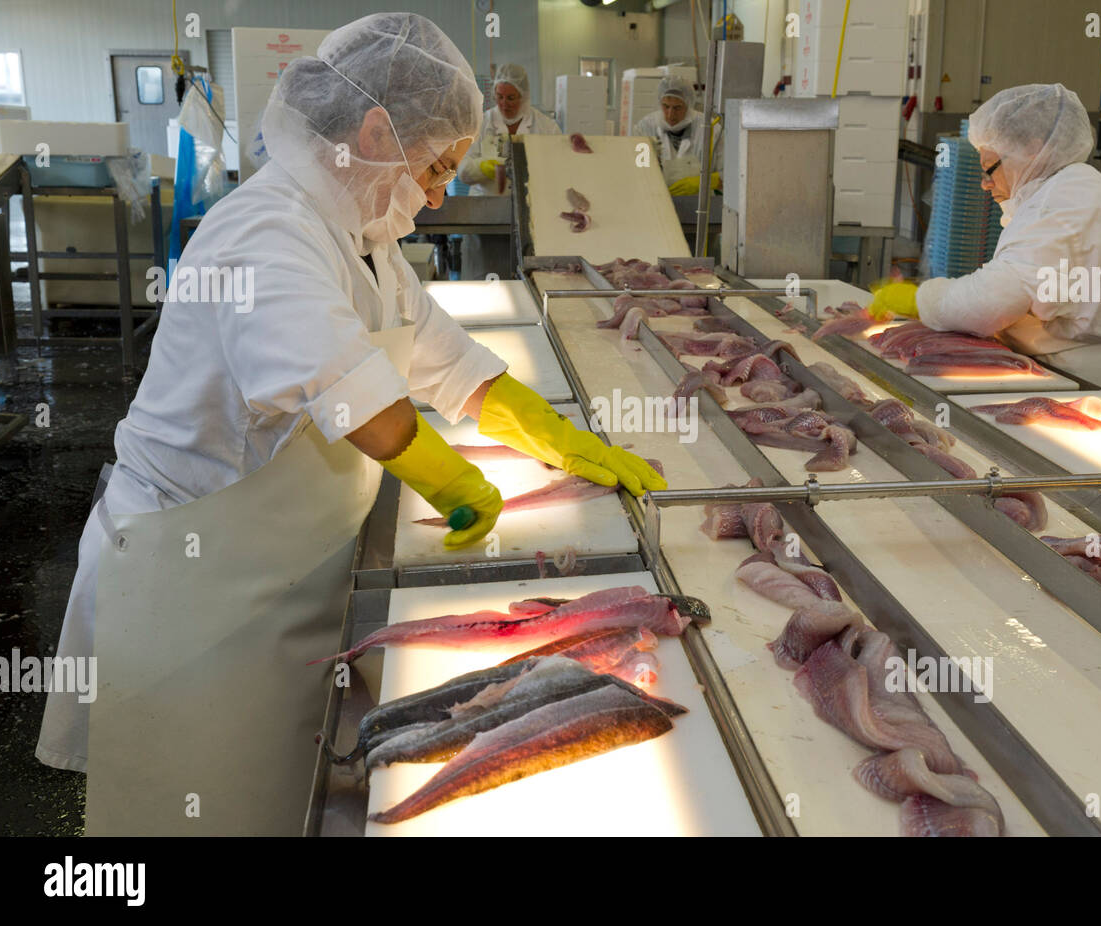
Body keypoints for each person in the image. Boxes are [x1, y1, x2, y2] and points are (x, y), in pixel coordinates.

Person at [34, 13, 664, 834]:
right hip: (187, 585)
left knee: (270, 799)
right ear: (374, 130)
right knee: (184, 808)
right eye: (435, 166)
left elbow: (447, 360)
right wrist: (452, 479)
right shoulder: (267, 232)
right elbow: (349, 394)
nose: (439, 193)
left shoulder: (364, 240)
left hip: (269, 579)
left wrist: (559, 438)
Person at [868, 83, 1101, 416]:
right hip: (1083, 379)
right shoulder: (1070, 190)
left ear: (1032, 150)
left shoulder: (1063, 204)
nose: (984, 183)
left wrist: (921, 299)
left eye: (990, 168)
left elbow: (990, 303)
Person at [457, 63, 560, 279]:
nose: (504, 103)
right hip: (485, 218)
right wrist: (484, 167)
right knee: (484, 283)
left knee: (527, 284)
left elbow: (558, 171)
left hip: (531, 220)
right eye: (499, 96)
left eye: (511, 98)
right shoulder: (481, 122)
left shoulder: (546, 127)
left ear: (524, 96)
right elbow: (462, 170)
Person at [634, 75, 723, 197]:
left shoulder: (710, 128)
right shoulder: (645, 127)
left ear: (688, 104)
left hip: (701, 206)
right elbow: (639, 171)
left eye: (677, 108)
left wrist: (701, 182)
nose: (671, 114)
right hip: (659, 201)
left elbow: (728, 176)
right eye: (666, 106)